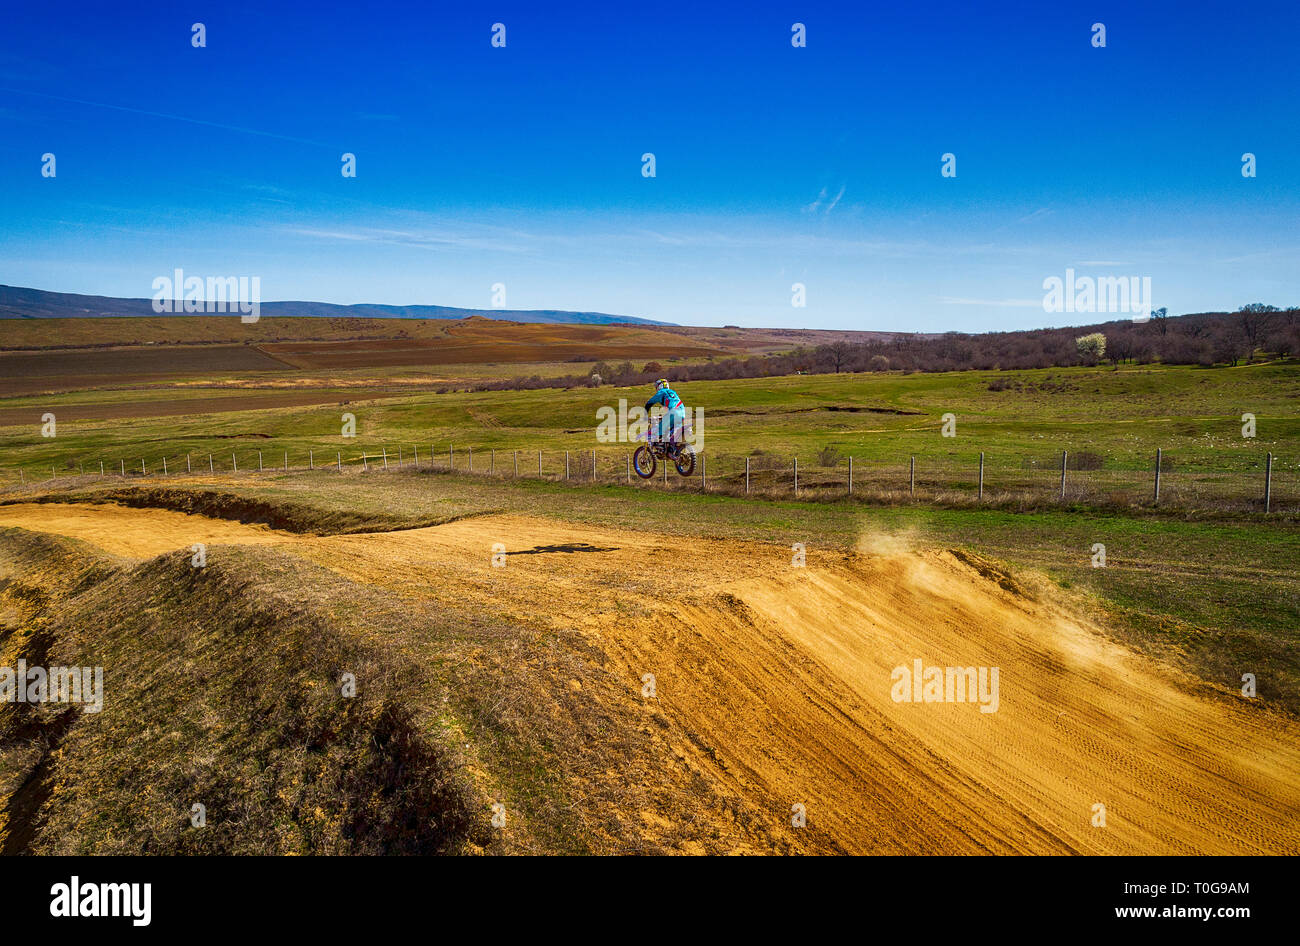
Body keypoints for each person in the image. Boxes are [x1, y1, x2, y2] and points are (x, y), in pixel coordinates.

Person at [644, 378, 685, 447]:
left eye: (656, 386)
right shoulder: (673, 392)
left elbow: (649, 403)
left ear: (660, 386)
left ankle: (659, 445)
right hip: (682, 413)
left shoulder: (661, 393)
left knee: (659, 429)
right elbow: (672, 405)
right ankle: (673, 449)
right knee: (672, 431)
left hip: (673, 412)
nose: (656, 388)